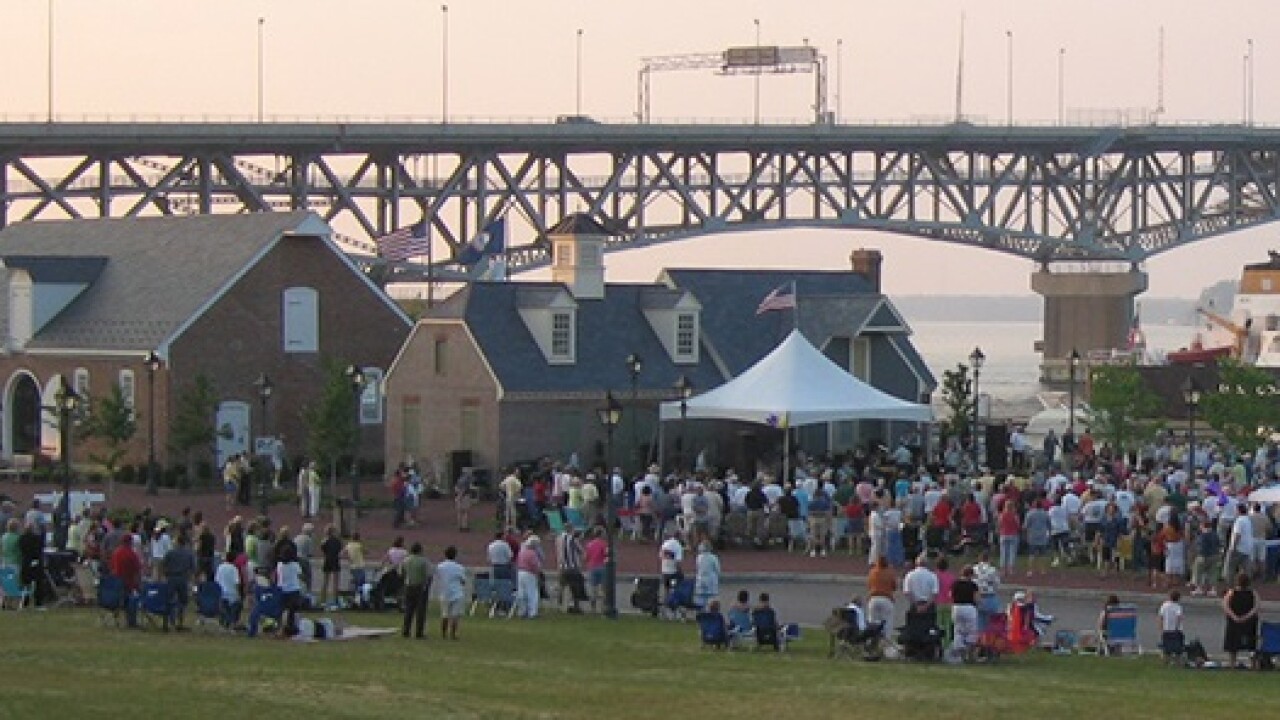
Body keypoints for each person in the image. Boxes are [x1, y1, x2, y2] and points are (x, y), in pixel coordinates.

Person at [1223, 572, 1259, 669]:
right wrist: (1247, 616)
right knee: (1251, 643)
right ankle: (1253, 663)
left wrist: (1234, 616)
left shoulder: (1232, 592)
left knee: (1233, 643)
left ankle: (1232, 663)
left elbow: (1226, 605)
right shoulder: (1253, 593)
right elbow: (1256, 607)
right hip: (1249, 622)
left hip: (1234, 621)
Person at [161, 532, 197, 631]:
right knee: (182, 602)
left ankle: (167, 622)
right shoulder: (189, 554)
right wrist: (192, 580)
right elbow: (193, 568)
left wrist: (165, 574)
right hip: (183, 578)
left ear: (177, 542)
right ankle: (180, 622)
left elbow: (163, 564)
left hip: (171, 578)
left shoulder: (170, 553)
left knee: (168, 601)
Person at [110, 534, 144, 627]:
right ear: (130, 542)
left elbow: (112, 568)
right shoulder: (132, 554)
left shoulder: (116, 552)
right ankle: (132, 621)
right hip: (128, 584)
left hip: (115, 585)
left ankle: (117, 617)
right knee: (134, 598)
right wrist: (139, 584)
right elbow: (138, 570)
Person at [400, 542, 432, 639]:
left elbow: (402, 573)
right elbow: (428, 575)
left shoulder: (406, 560)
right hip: (420, 587)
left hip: (408, 586)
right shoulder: (424, 561)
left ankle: (406, 630)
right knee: (420, 611)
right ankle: (419, 632)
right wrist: (426, 586)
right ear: (420, 550)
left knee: (408, 610)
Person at [435, 546, 467, 640]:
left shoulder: (440, 566)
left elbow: (438, 577)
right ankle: (453, 634)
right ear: (455, 555)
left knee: (444, 614)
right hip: (457, 593)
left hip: (444, 592)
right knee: (455, 615)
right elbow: (463, 581)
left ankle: (443, 634)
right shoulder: (459, 567)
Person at [951, 565, 980, 659]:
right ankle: (969, 654)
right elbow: (976, 599)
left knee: (958, 630)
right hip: (969, 608)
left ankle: (959, 652)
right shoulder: (973, 585)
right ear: (970, 575)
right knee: (971, 631)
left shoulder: (955, 583)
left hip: (957, 607)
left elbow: (950, 595)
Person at [275, 544, 304, 637]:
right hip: (293, 590)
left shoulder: (279, 565)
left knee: (281, 611)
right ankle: (291, 628)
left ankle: (280, 629)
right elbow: (300, 575)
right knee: (292, 612)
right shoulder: (295, 565)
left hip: (282, 589)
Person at [515, 535, 543, 619]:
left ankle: (522, 611)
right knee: (532, 593)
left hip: (520, 572)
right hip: (529, 574)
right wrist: (538, 573)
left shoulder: (522, 551)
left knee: (521, 593)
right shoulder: (532, 553)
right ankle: (533, 612)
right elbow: (535, 565)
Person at [214, 549, 243, 630]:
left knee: (224, 608)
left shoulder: (220, 567)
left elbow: (217, 581)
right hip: (232, 594)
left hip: (222, 593)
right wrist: (238, 594)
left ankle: (224, 622)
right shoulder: (234, 569)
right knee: (238, 605)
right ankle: (234, 622)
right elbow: (236, 583)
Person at [583, 527, 608, 612]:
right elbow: (606, 555)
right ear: (601, 534)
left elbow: (585, 557)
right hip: (601, 566)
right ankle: (602, 608)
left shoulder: (589, 544)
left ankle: (593, 608)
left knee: (593, 589)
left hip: (591, 567)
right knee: (603, 589)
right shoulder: (603, 544)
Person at [1158, 589, 1185, 663]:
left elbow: (1161, 617)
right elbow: (1179, 617)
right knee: (1178, 648)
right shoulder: (1178, 607)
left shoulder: (1164, 605)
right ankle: (1177, 661)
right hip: (1176, 630)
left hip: (1166, 629)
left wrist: (1161, 628)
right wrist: (1177, 626)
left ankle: (1165, 660)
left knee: (1166, 647)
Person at [319, 525, 342, 608]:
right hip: (335, 560)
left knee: (325, 582)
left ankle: (323, 600)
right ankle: (335, 600)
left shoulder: (325, 541)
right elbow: (339, 549)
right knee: (335, 582)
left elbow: (323, 549)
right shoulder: (337, 541)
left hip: (327, 560)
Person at [694, 541, 721, 608]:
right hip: (711, 580)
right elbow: (717, 569)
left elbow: (697, 568)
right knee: (711, 598)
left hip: (701, 579)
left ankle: (702, 612)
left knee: (701, 599)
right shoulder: (713, 557)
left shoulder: (698, 558)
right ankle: (711, 611)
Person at [659, 529, 684, 600]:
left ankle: (666, 600)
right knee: (678, 584)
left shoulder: (665, 543)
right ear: (679, 537)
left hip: (664, 569)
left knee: (666, 587)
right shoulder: (678, 546)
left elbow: (661, 556)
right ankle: (674, 600)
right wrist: (680, 571)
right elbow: (677, 562)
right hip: (673, 571)